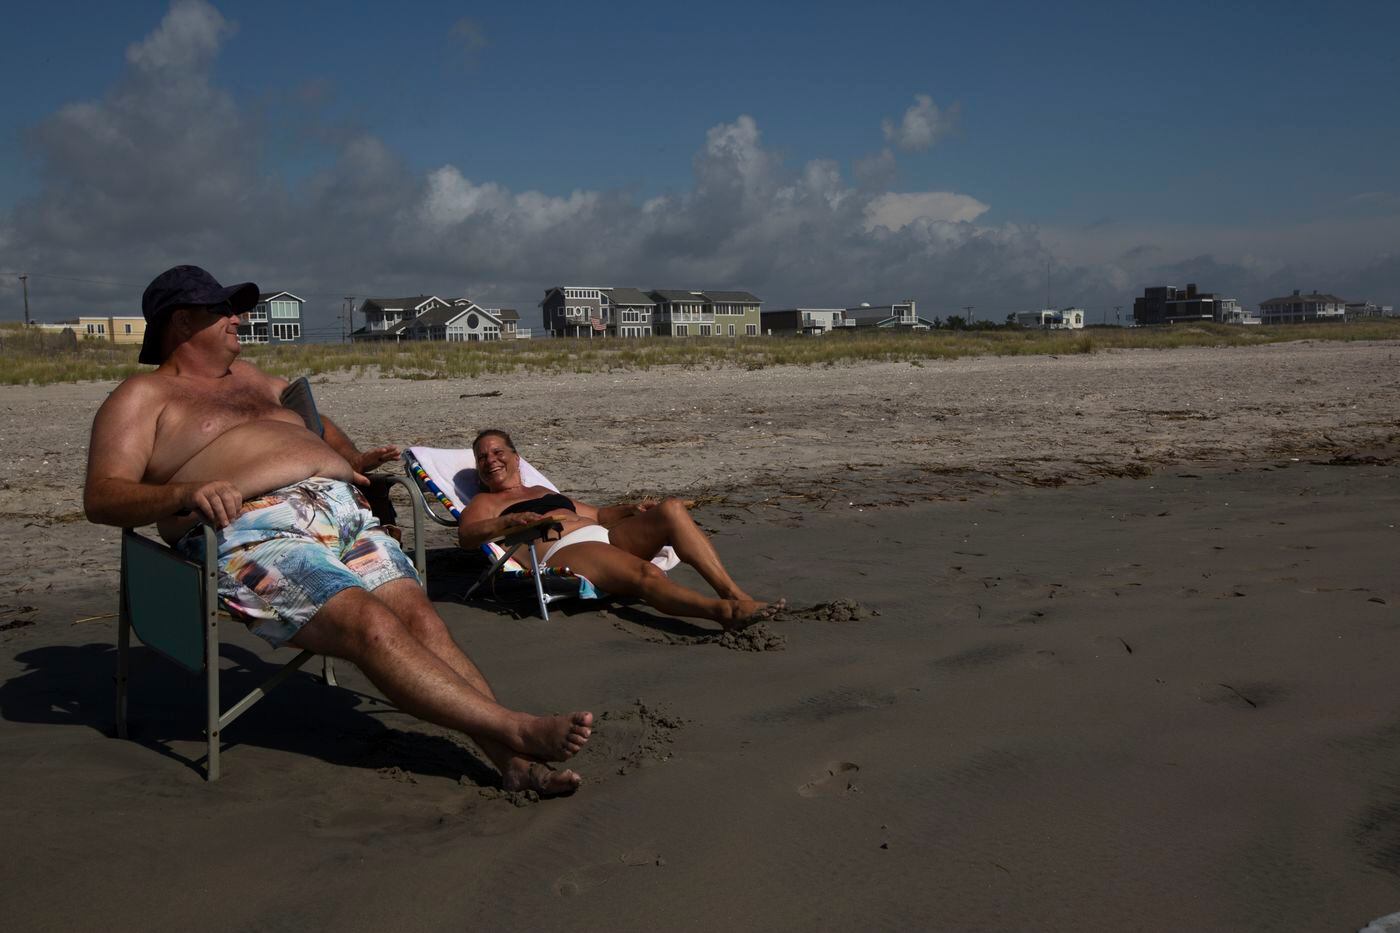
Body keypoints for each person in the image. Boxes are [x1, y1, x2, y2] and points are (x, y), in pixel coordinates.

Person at [84, 265, 591, 795]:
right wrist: (181, 493)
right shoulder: (142, 396)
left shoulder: (259, 380)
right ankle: (515, 728)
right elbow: (102, 496)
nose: (240, 318)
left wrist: (351, 457)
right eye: (223, 310)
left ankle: (506, 759)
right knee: (370, 626)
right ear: (182, 321)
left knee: (423, 620)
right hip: (254, 527)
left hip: (343, 511)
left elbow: (315, 423)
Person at [459, 429, 784, 629]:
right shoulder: (485, 502)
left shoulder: (543, 492)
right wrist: (508, 521)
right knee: (646, 574)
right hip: (565, 550)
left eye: (497, 452)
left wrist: (630, 510)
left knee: (670, 508)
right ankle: (724, 612)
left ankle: (736, 595)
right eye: (482, 457)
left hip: (603, 535)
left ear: (516, 457)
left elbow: (599, 514)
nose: (490, 460)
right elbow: (467, 537)